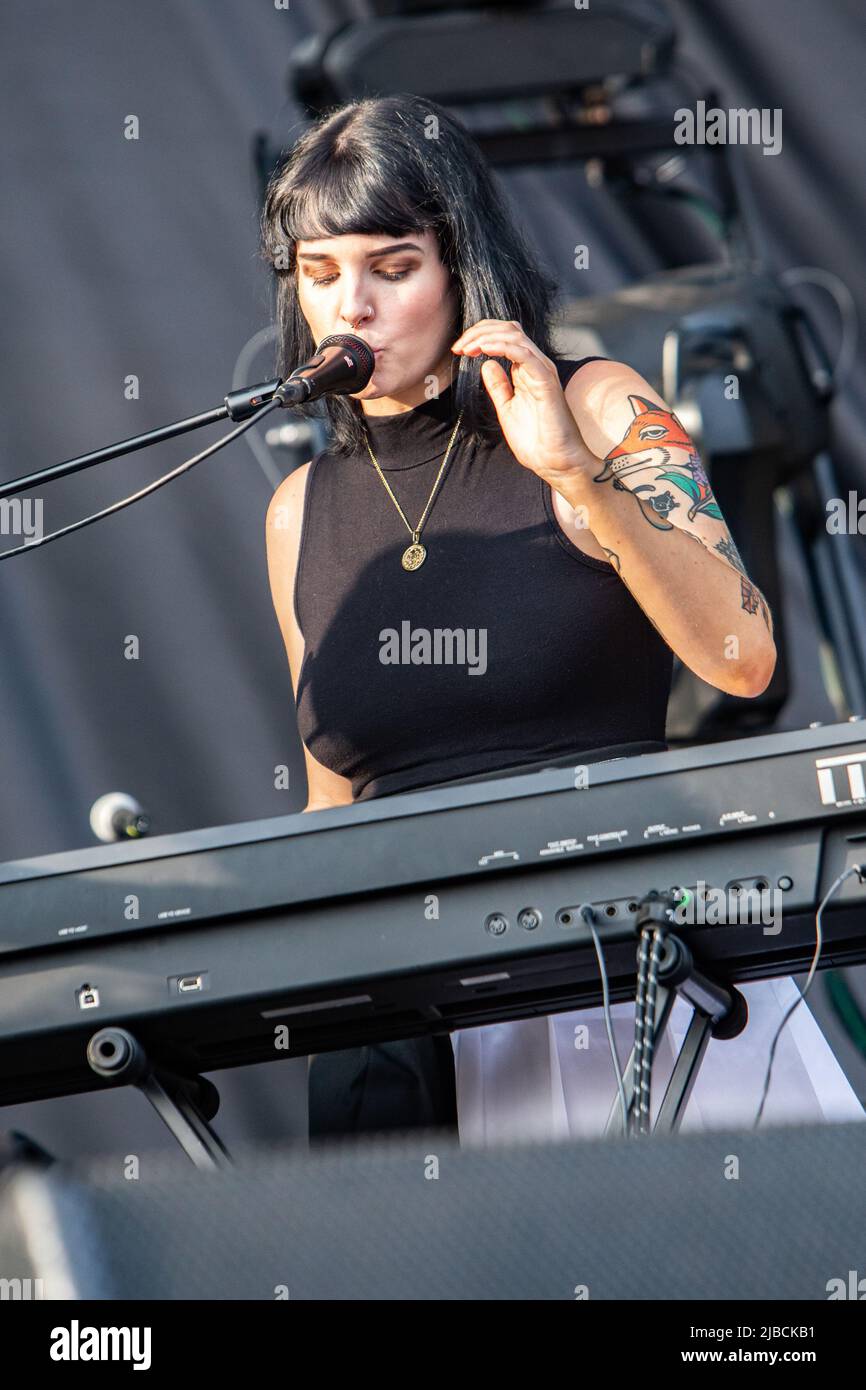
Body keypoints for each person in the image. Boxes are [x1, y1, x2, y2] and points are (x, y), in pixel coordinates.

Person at [262, 93, 864, 1144]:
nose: (347, 305)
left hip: (611, 967)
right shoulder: (296, 510)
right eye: (319, 275)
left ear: (460, 269)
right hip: (404, 1005)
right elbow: (330, 806)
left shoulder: (596, 406)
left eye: (390, 268)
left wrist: (577, 478)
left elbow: (743, 656)